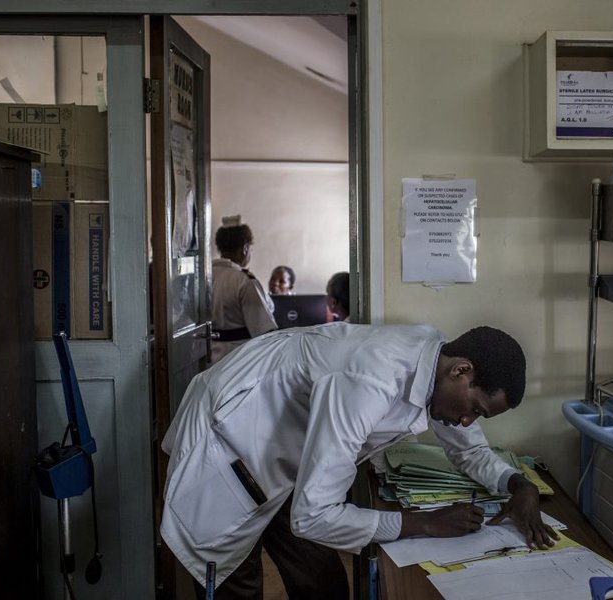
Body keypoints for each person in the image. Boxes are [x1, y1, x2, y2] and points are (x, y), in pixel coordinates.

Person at [160, 323, 558, 599]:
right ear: (462, 371)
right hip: (229, 444)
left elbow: (468, 449)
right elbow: (312, 517)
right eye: (473, 409)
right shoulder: (370, 382)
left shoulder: (437, 359)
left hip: (290, 457)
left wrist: (519, 485)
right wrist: (423, 524)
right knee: (236, 584)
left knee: (324, 586)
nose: (467, 422)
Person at [211, 222, 277, 361]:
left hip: (208, 355)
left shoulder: (205, 276)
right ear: (245, 248)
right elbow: (264, 329)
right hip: (239, 358)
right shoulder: (243, 280)